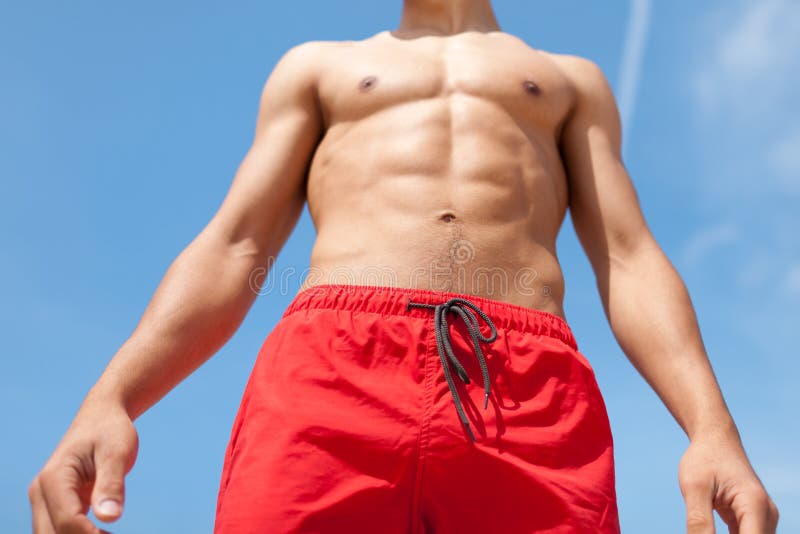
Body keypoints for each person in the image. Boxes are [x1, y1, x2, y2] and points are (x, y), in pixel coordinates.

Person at [29, 0, 779, 533]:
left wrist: (713, 431)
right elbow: (236, 246)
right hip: (332, 373)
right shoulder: (320, 67)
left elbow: (628, 254)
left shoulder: (568, 80)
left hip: (524, 386)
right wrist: (112, 400)